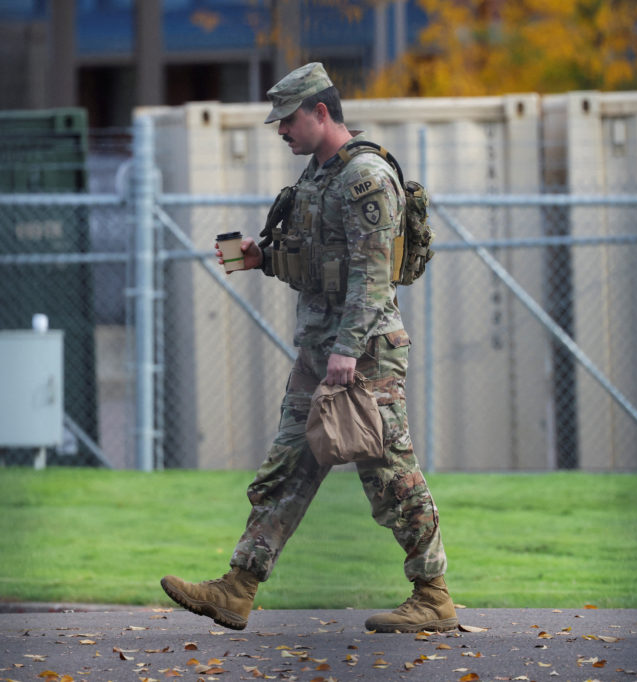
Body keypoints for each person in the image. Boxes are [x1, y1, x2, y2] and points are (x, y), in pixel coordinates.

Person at [160, 62, 457, 634]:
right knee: (289, 464)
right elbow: (319, 264)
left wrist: (347, 350)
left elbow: (374, 277)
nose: (280, 130)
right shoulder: (320, 178)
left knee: (389, 471)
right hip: (321, 350)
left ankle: (434, 595)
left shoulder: (366, 178)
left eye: (288, 119)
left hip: (363, 354)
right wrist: (261, 257)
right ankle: (238, 588)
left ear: (321, 112)